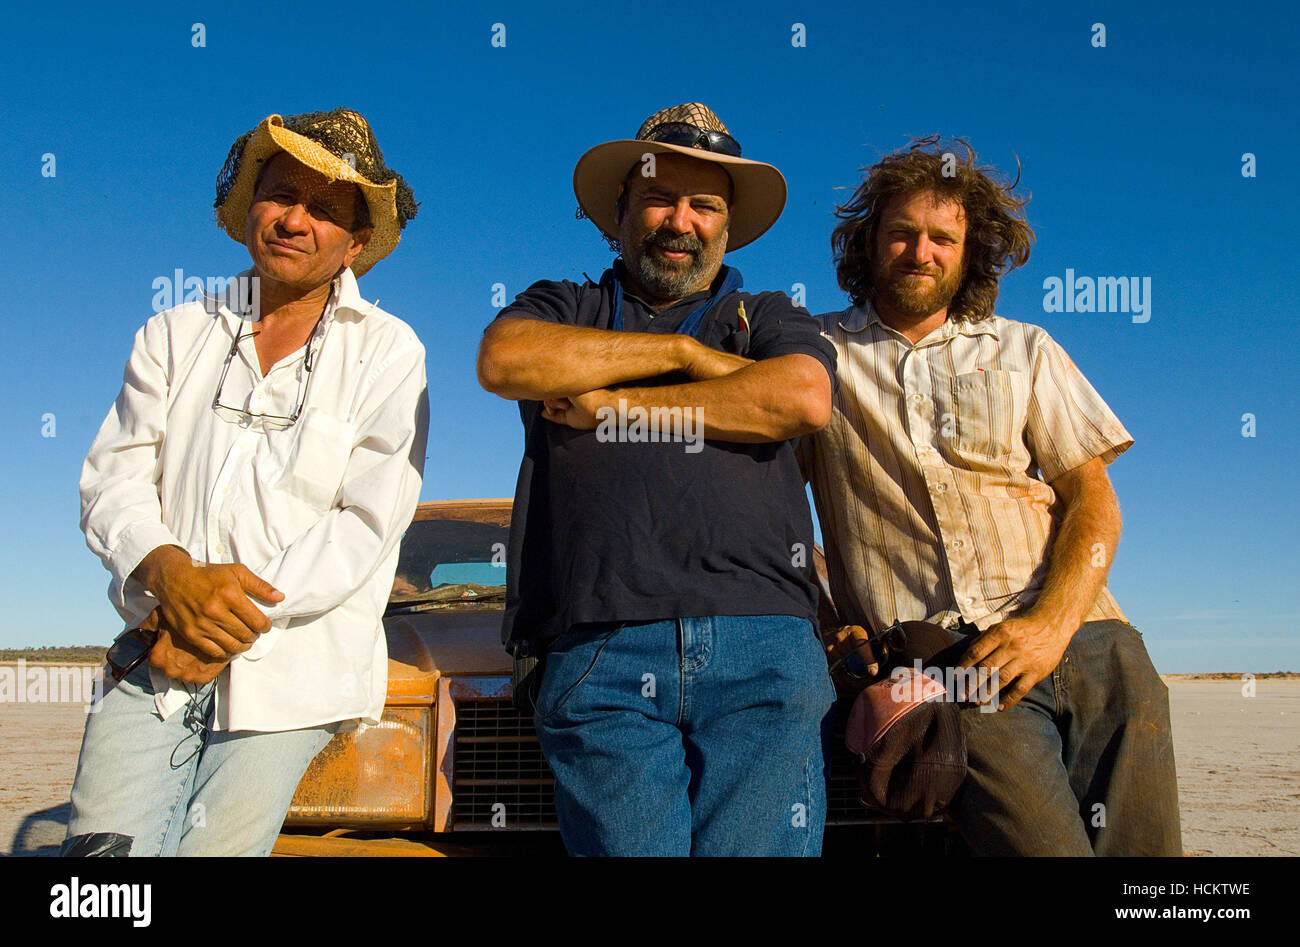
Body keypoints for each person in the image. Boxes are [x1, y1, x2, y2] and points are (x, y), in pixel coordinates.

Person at [802, 136, 1181, 856]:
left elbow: (1092, 498)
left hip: (1095, 642)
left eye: (943, 237)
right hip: (955, 660)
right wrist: (823, 619)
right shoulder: (817, 358)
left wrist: (1050, 625)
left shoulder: (1026, 349)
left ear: (970, 252)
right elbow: (759, 507)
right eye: (902, 233)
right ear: (868, 242)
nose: (921, 251)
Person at [64, 108, 428, 857]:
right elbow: (113, 480)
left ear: (357, 244)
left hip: (291, 675)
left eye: (326, 209)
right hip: (158, 646)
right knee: (99, 870)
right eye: (281, 194)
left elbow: (364, 522)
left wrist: (224, 618)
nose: (296, 219)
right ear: (248, 208)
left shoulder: (389, 353)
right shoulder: (172, 332)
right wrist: (176, 581)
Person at [476, 103, 838, 856]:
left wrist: (623, 401)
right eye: (657, 197)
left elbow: (799, 397)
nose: (681, 220)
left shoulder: (768, 314)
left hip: (762, 639)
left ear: (728, 227)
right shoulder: (563, 305)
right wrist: (690, 359)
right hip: (601, 642)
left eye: (704, 205)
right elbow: (506, 359)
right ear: (619, 216)